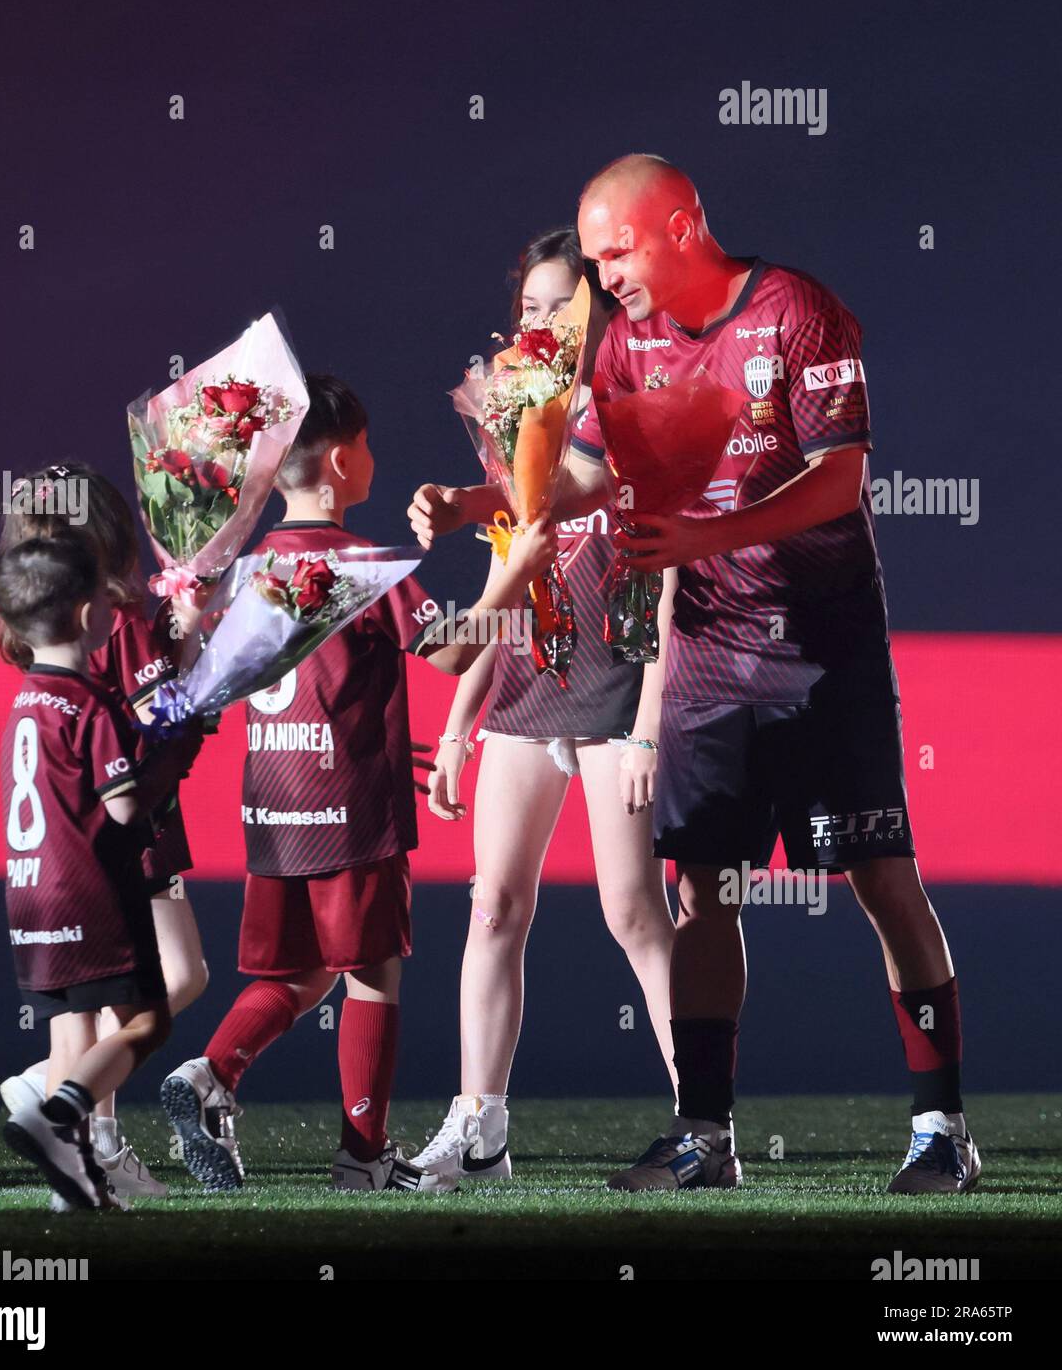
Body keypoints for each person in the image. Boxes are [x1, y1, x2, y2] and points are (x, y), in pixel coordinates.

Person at [410, 154, 979, 1197]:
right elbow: (587, 471)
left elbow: (840, 475)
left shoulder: (797, 311)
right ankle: (703, 1136)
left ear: (680, 225)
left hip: (819, 646)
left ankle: (940, 1125)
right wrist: (485, 500)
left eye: (614, 252)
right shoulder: (623, 344)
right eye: (590, 261)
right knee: (701, 891)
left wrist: (712, 528)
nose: (604, 277)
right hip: (708, 654)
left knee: (879, 880)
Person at [161, 373, 557, 1193]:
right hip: (351, 814)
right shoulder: (361, 564)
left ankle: (210, 1075)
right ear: (342, 462)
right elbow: (449, 650)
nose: (374, 457)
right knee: (371, 971)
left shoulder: (246, 567)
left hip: (271, 805)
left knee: (296, 975)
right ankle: (364, 1155)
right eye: (368, 446)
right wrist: (514, 576)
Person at [410, 229, 678, 1189]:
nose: (538, 323)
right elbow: (506, 576)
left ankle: (706, 1124)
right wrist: (454, 729)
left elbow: (648, 559)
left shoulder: (640, 412)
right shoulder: (515, 417)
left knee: (634, 914)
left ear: (599, 310)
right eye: (527, 308)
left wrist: (649, 719)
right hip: (527, 690)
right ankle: (478, 1127)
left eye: (558, 306)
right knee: (492, 909)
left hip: (612, 687)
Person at [0, 462, 208, 1202]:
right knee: (145, 1000)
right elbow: (154, 728)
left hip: (48, 870)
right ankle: (82, 1125)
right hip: (110, 851)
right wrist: (193, 692)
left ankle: (73, 1129)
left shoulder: (35, 667)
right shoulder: (108, 633)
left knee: (98, 1011)